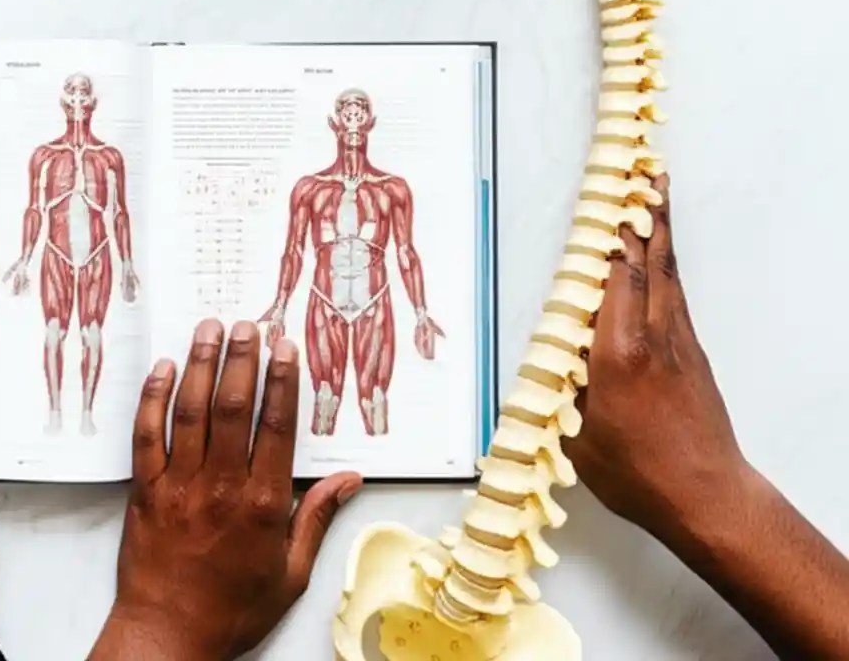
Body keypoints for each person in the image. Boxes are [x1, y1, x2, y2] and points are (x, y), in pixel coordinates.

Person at [86, 175, 849, 660]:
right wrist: (722, 503)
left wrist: (163, 626)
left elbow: (405, 257)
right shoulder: (314, 195)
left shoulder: (385, 193)